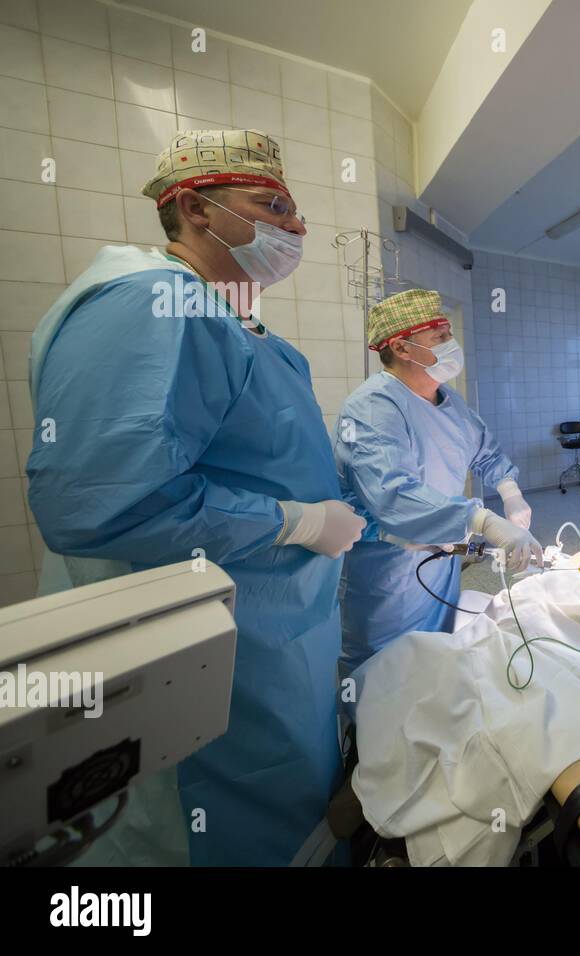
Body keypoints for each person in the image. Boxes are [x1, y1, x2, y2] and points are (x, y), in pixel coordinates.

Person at [26, 129, 365, 866]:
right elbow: (98, 503)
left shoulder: (245, 328)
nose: (296, 225)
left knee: (285, 803)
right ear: (195, 207)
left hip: (269, 637)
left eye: (296, 209)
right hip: (195, 649)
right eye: (271, 204)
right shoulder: (152, 305)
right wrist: (298, 521)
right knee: (208, 827)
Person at [333, 288, 541, 673]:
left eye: (449, 334)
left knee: (435, 658)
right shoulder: (373, 408)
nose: (452, 343)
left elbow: (486, 451)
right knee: (384, 671)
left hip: (440, 556)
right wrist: (482, 521)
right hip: (389, 567)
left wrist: (510, 494)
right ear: (402, 348)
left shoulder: (448, 401)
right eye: (440, 337)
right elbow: (394, 495)